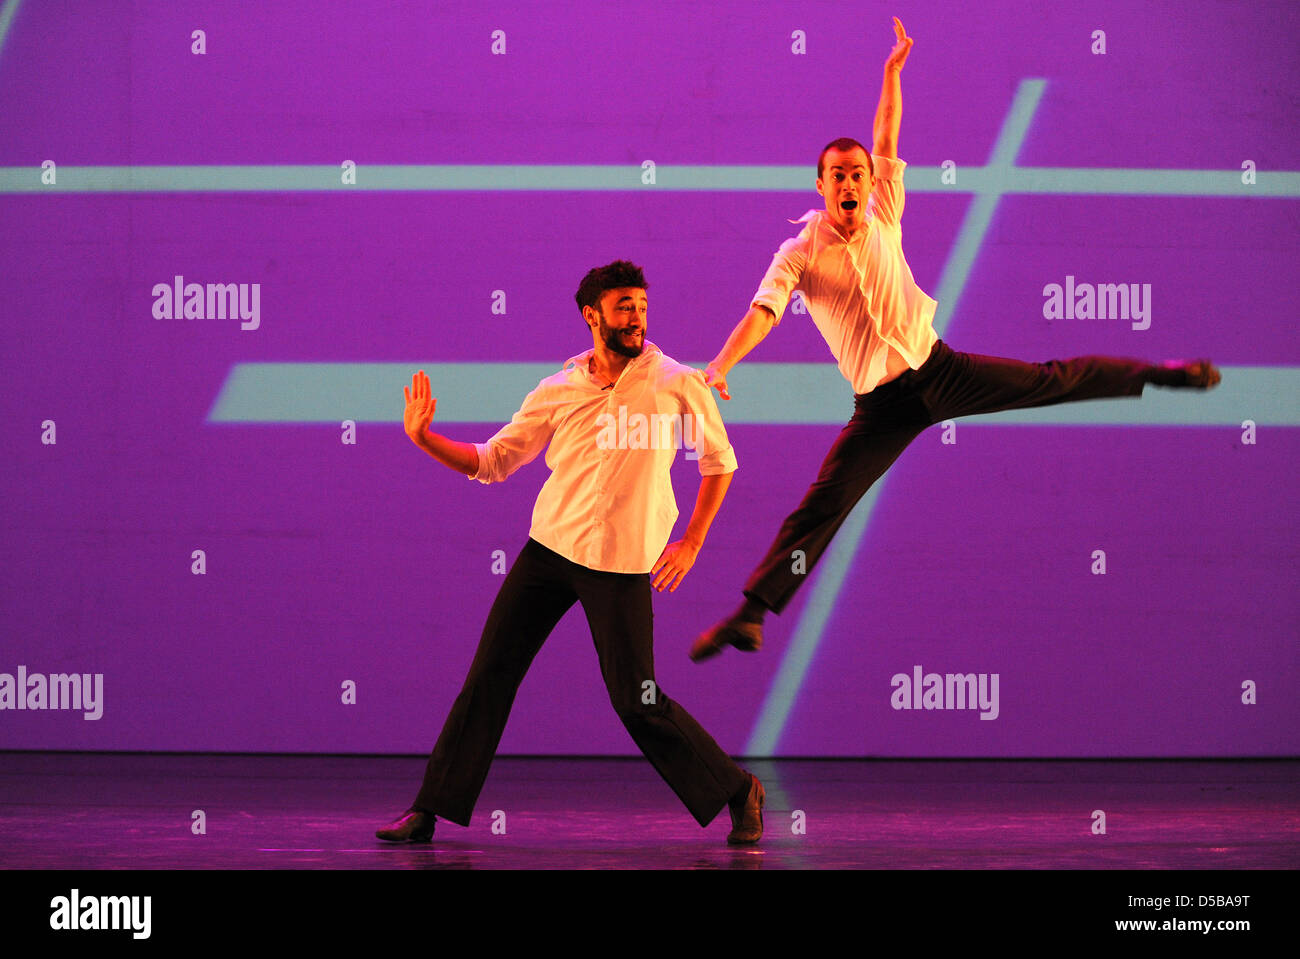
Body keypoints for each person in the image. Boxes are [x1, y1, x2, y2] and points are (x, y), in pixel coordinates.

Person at [690, 18, 1221, 661]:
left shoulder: (886, 209)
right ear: (821, 186)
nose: (852, 184)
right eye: (839, 176)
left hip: (939, 370)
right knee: (823, 507)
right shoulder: (799, 254)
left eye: (858, 174)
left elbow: (886, 132)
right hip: (881, 407)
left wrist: (891, 73)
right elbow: (763, 313)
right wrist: (722, 362)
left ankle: (1158, 374)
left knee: (1052, 379)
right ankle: (751, 615)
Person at [377, 260, 764, 845]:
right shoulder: (556, 390)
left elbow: (720, 464)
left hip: (623, 564)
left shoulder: (676, 382)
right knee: (489, 676)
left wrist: (692, 541)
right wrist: (426, 438)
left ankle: (738, 789)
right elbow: (494, 461)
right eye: (623, 307)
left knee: (637, 702)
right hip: (550, 553)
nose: (636, 317)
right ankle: (428, 810)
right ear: (592, 316)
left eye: (641, 305)